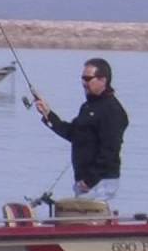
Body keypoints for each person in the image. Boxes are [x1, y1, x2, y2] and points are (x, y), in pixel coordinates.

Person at [34, 58, 129, 201]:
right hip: (84, 182)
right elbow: (73, 133)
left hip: (100, 183)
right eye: (82, 78)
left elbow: (110, 151)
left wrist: (89, 180)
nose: (84, 83)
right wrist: (48, 115)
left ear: (103, 80)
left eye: (88, 78)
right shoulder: (88, 107)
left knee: (87, 221)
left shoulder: (112, 110)